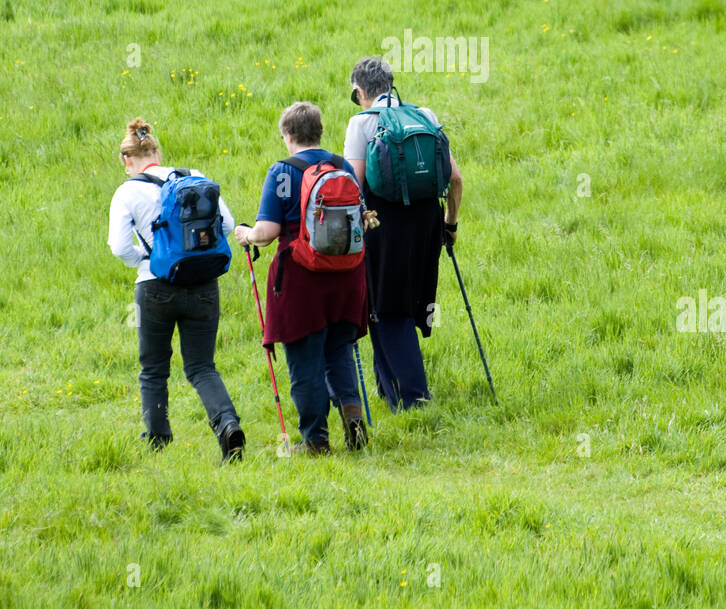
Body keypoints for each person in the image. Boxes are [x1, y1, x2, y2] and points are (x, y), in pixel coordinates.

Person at [234, 102, 369, 455]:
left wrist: (247, 234)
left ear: (288, 136)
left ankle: (315, 441)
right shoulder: (342, 167)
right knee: (339, 350)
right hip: (347, 277)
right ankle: (353, 414)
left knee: (305, 359)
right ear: (319, 131)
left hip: (302, 280)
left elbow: (268, 231)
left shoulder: (282, 171)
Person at [107, 118, 245, 462]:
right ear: (156, 150)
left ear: (127, 159)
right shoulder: (191, 176)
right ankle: (228, 425)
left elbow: (119, 246)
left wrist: (146, 258)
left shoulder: (127, 192)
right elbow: (226, 224)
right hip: (203, 284)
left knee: (153, 366)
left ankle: (157, 438)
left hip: (154, 287)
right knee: (202, 367)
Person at [344, 57, 462, 411]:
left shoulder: (360, 123)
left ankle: (414, 399)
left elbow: (353, 188)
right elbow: (455, 178)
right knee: (405, 304)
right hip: (428, 222)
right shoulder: (425, 115)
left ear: (360, 92)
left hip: (383, 226)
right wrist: (450, 224)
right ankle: (389, 389)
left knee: (388, 309)